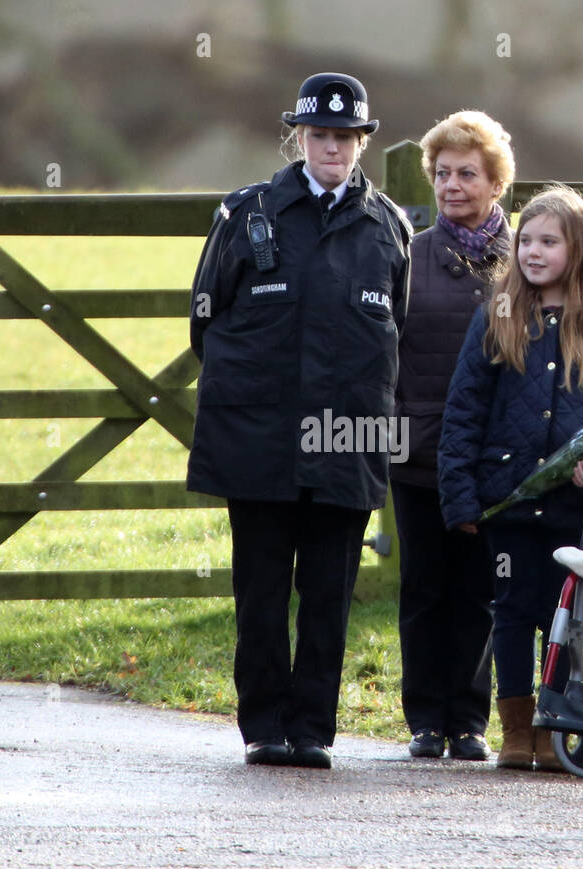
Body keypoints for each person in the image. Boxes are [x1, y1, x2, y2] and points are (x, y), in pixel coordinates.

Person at [187, 72, 412, 769]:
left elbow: (395, 329)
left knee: (327, 595)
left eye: (346, 137)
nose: (333, 148)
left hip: (348, 441)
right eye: (321, 135)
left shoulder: (390, 229)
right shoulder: (245, 215)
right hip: (259, 440)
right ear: (300, 137)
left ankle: (313, 727)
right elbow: (205, 319)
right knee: (259, 591)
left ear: (362, 142)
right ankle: (263, 725)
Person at [438, 186, 583, 770]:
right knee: (511, 610)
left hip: (576, 507)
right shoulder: (498, 314)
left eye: (548, 241)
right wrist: (461, 498)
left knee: (565, 611)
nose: (532, 251)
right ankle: (515, 729)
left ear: (576, 249)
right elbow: (464, 411)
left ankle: (558, 723)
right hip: (506, 502)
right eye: (525, 239)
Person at [393, 110, 514, 761]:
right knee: (423, 588)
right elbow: (383, 350)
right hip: (416, 455)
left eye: (467, 173)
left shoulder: (524, 260)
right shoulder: (409, 258)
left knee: (479, 591)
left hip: (492, 460)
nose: (451, 185)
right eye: (442, 173)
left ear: (496, 183)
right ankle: (424, 719)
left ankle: (468, 720)